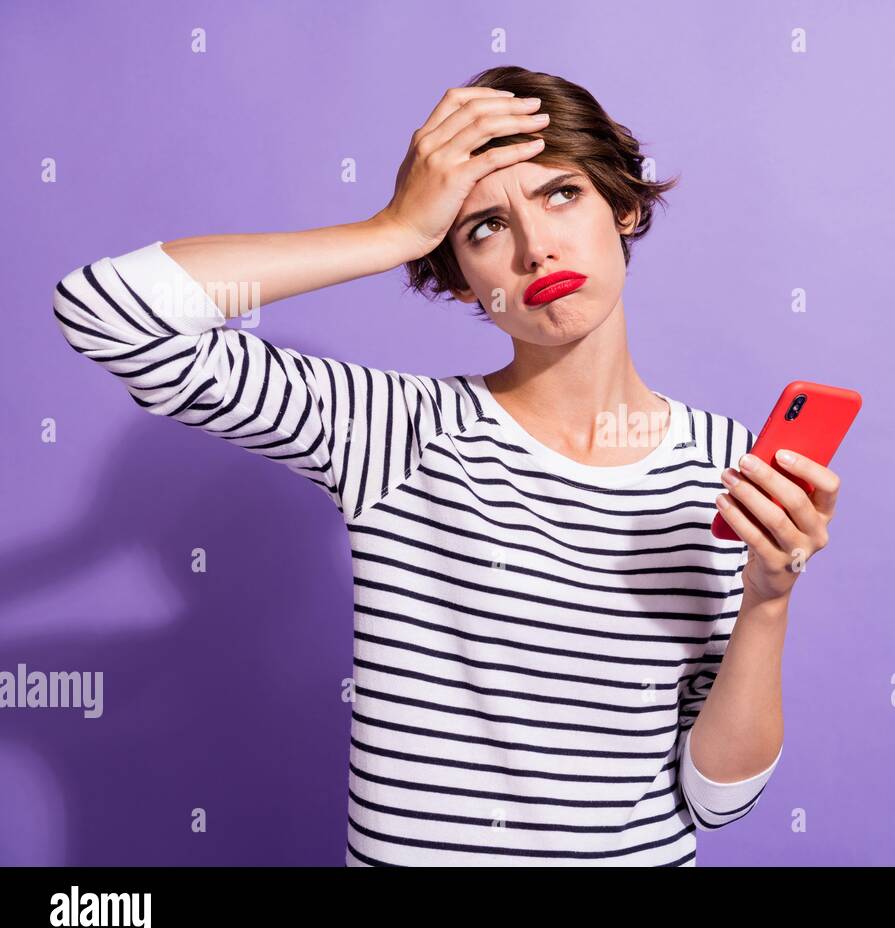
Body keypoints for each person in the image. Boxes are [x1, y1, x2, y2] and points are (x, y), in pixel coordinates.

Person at [51, 65, 842, 866]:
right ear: (460, 280)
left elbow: (719, 799)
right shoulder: (392, 431)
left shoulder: (724, 464)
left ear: (626, 208)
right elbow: (107, 310)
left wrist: (769, 603)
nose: (536, 248)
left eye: (561, 195)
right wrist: (393, 229)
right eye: (485, 228)